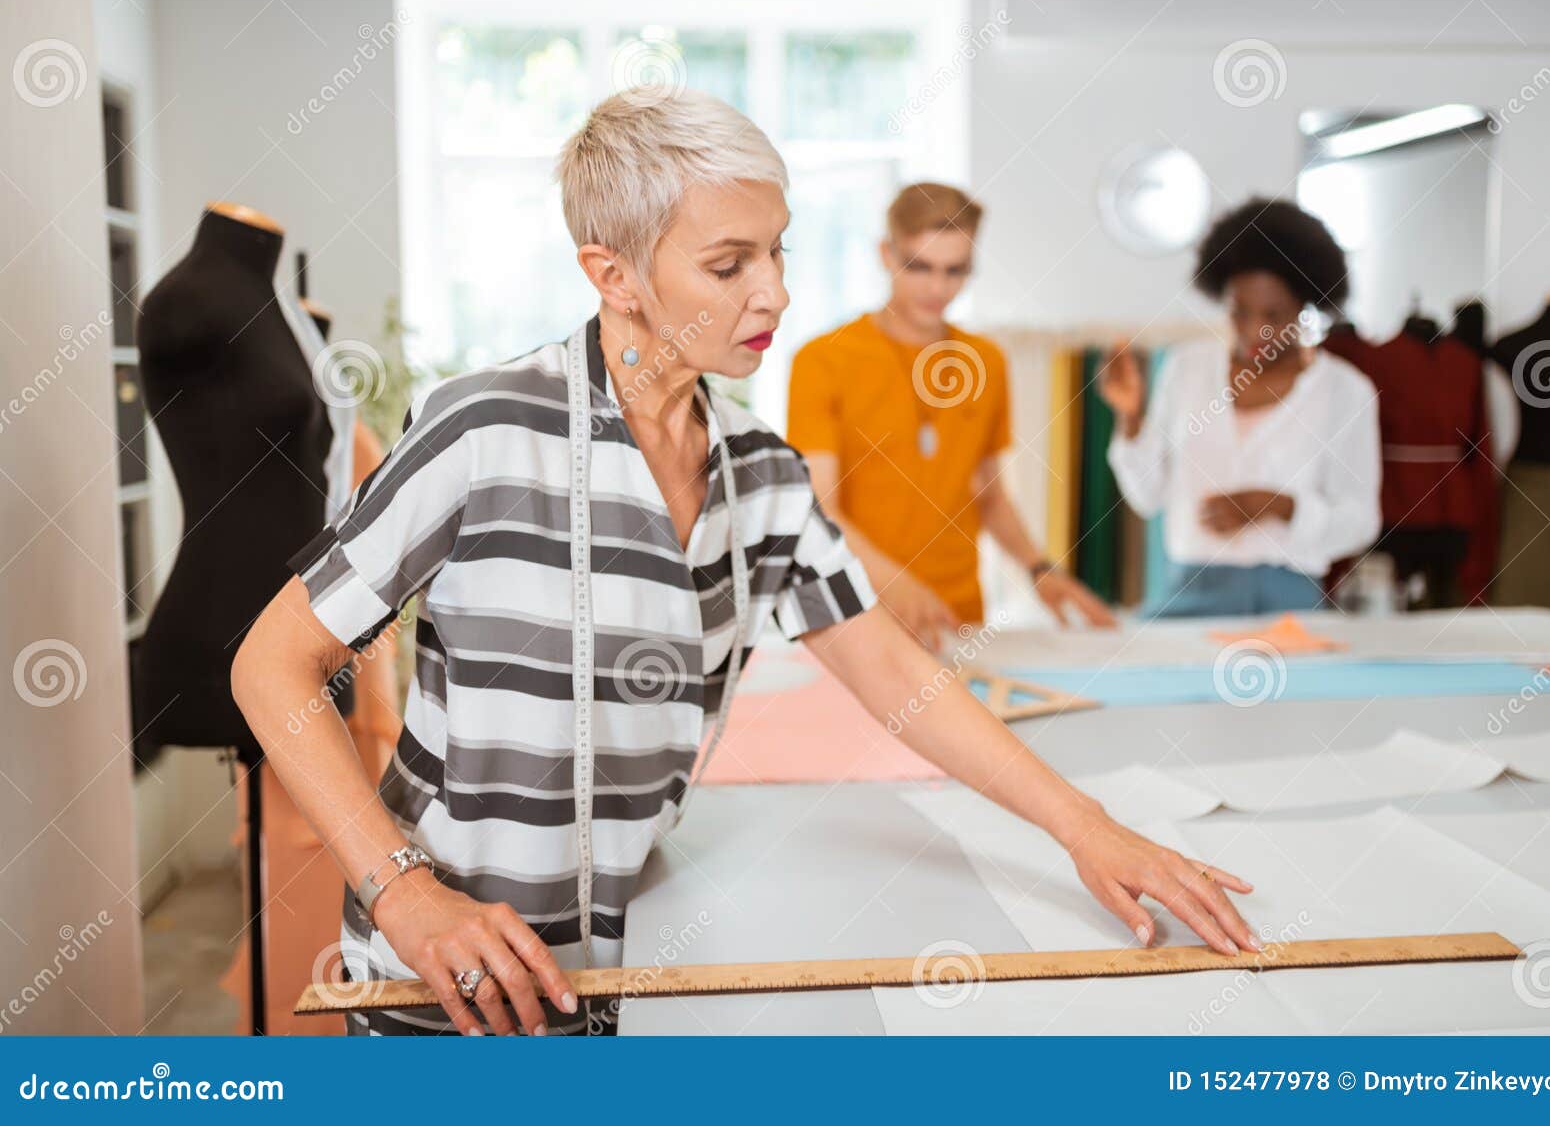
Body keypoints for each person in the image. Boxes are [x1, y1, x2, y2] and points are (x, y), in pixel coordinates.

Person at [231, 90, 1258, 1038]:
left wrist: (1087, 827)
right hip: (446, 976)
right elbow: (272, 664)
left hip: (619, 975)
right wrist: (406, 891)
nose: (774, 290)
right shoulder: (484, 427)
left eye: (776, 252)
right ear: (613, 275)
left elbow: (895, 673)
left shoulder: (760, 475)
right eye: (729, 266)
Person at [788, 183, 1115, 648]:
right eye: (919, 267)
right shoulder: (823, 360)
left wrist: (1039, 570)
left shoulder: (986, 361)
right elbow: (821, 507)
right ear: (886, 253)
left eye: (955, 270)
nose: (938, 288)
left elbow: (989, 496)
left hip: (956, 616)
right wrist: (895, 584)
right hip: (855, 613)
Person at [1098, 197, 1381, 617]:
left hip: (1291, 603)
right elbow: (1147, 497)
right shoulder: (1186, 369)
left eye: (1272, 314)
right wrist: (1129, 416)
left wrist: (1279, 506)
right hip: (1187, 596)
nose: (1253, 331)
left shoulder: (1346, 391)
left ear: (1305, 309)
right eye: (1239, 311)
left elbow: (1361, 521)